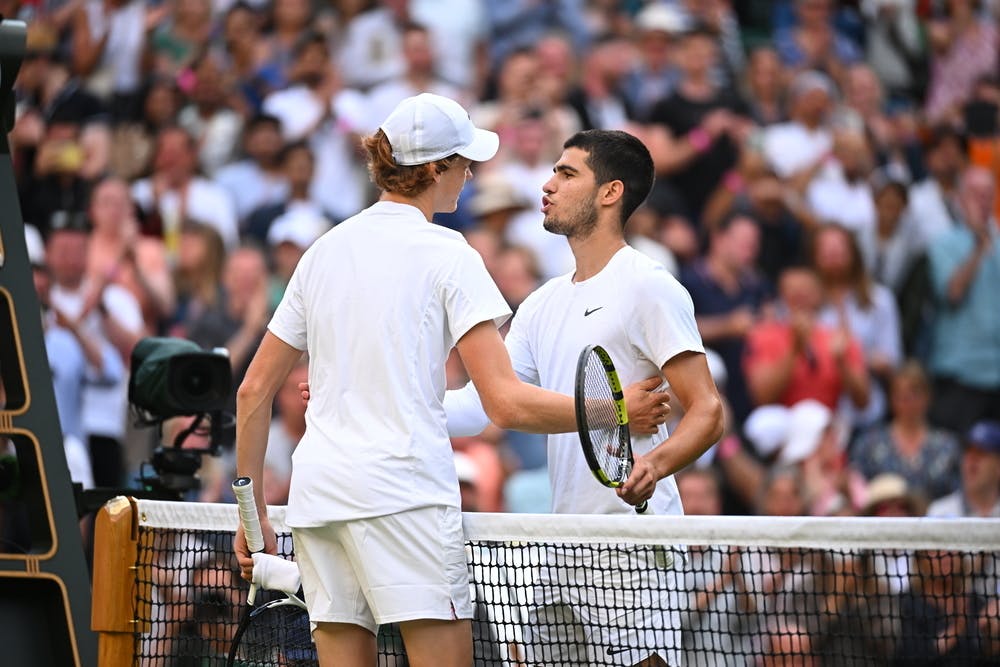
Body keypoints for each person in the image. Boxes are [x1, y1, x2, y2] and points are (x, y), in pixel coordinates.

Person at [234, 93, 583, 667]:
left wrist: (252, 519)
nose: (470, 173)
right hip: (405, 498)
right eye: (462, 161)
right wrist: (609, 412)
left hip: (320, 500)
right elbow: (505, 404)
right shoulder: (450, 253)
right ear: (431, 169)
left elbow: (252, 393)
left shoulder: (323, 249)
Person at [445, 129, 725, 666]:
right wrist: (376, 400)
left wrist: (655, 464)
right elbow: (483, 407)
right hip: (564, 539)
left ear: (610, 191)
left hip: (637, 542)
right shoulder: (541, 304)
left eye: (566, 173)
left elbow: (707, 410)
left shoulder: (649, 285)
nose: (547, 185)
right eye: (552, 171)